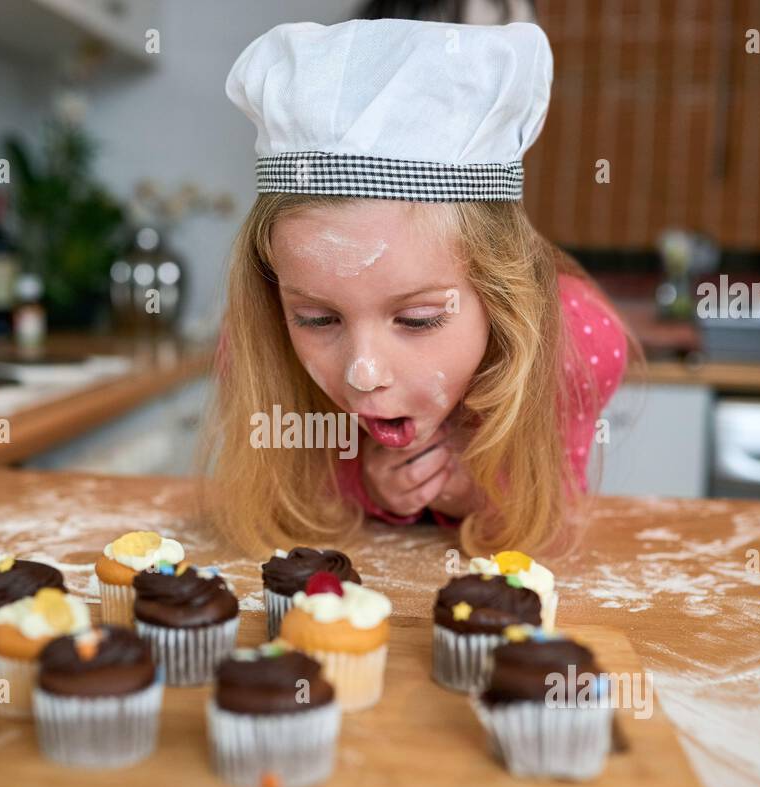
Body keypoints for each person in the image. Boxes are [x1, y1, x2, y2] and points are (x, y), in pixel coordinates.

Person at [200, 18, 633, 558]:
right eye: (316, 319)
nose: (365, 374)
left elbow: (549, 516)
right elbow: (286, 490)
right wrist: (367, 486)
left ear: (504, 294)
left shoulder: (577, 343)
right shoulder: (253, 341)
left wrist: (472, 493)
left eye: (418, 320)